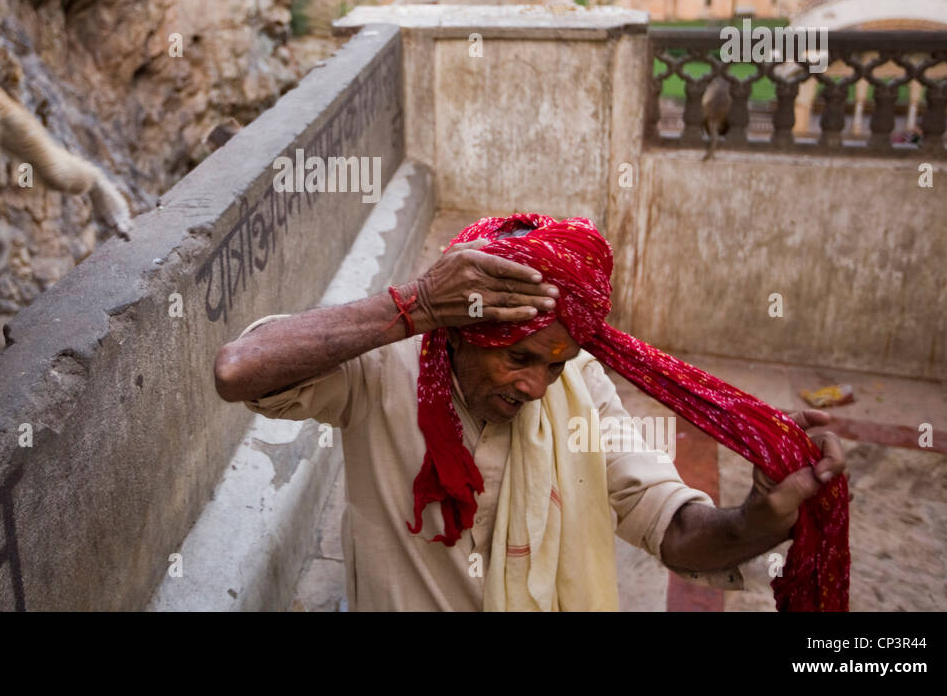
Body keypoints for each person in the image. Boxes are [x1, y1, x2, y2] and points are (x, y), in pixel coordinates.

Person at [214, 214, 849, 611]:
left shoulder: (581, 389)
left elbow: (676, 531)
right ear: (462, 330)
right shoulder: (383, 368)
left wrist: (758, 519)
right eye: (519, 358)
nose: (539, 386)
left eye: (555, 362)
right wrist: (415, 304)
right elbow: (238, 371)